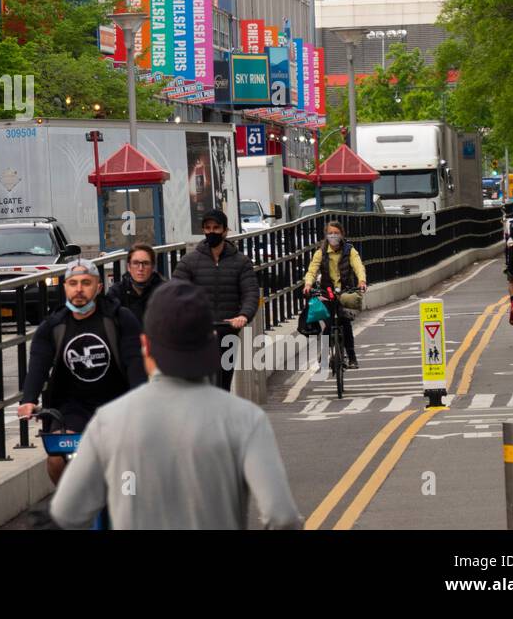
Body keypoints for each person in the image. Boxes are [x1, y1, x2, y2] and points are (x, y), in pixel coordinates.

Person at [49, 279, 302, 530]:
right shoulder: (245, 418)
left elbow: (66, 512)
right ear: (212, 341)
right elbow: (282, 517)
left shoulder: (109, 420)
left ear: (145, 345)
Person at [17, 259, 146, 485]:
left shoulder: (120, 318)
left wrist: (140, 401)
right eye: (73, 283)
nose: (79, 289)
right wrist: (28, 400)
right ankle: (69, 502)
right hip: (71, 408)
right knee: (56, 459)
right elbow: (38, 363)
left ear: (99, 287)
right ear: (65, 287)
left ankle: (128, 502)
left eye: (86, 283)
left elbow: (134, 361)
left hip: (117, 405)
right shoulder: (53, 325)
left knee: (127, 468)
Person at [170, 209, 260, 391]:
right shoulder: (189, 262)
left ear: (225, 231)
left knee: (224, 383)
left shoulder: (241, 262)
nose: (212, 232)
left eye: (216, 228)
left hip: (228, 330)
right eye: (207, 228)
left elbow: (250, 292)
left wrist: (243, 315)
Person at [302, 221, 367, 370]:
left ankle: (352, 357)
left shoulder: (350, 250)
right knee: (329, 322)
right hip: (327, 292)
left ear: (342, 234)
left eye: (336, 233)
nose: (333, 236)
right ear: (326, 235)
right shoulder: (320, 252)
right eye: (330, 233)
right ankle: (325, 352)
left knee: (345, 323)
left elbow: (358, 266)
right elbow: (312, 270)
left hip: (345, 291)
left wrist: (362, 281)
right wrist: (308, 284)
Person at [104, 243, 165, 325]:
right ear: (129, 267)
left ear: (153, 267)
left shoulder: (164, 291)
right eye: (136, 263)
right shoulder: (117, 291)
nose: (140, 268)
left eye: (145, 263)